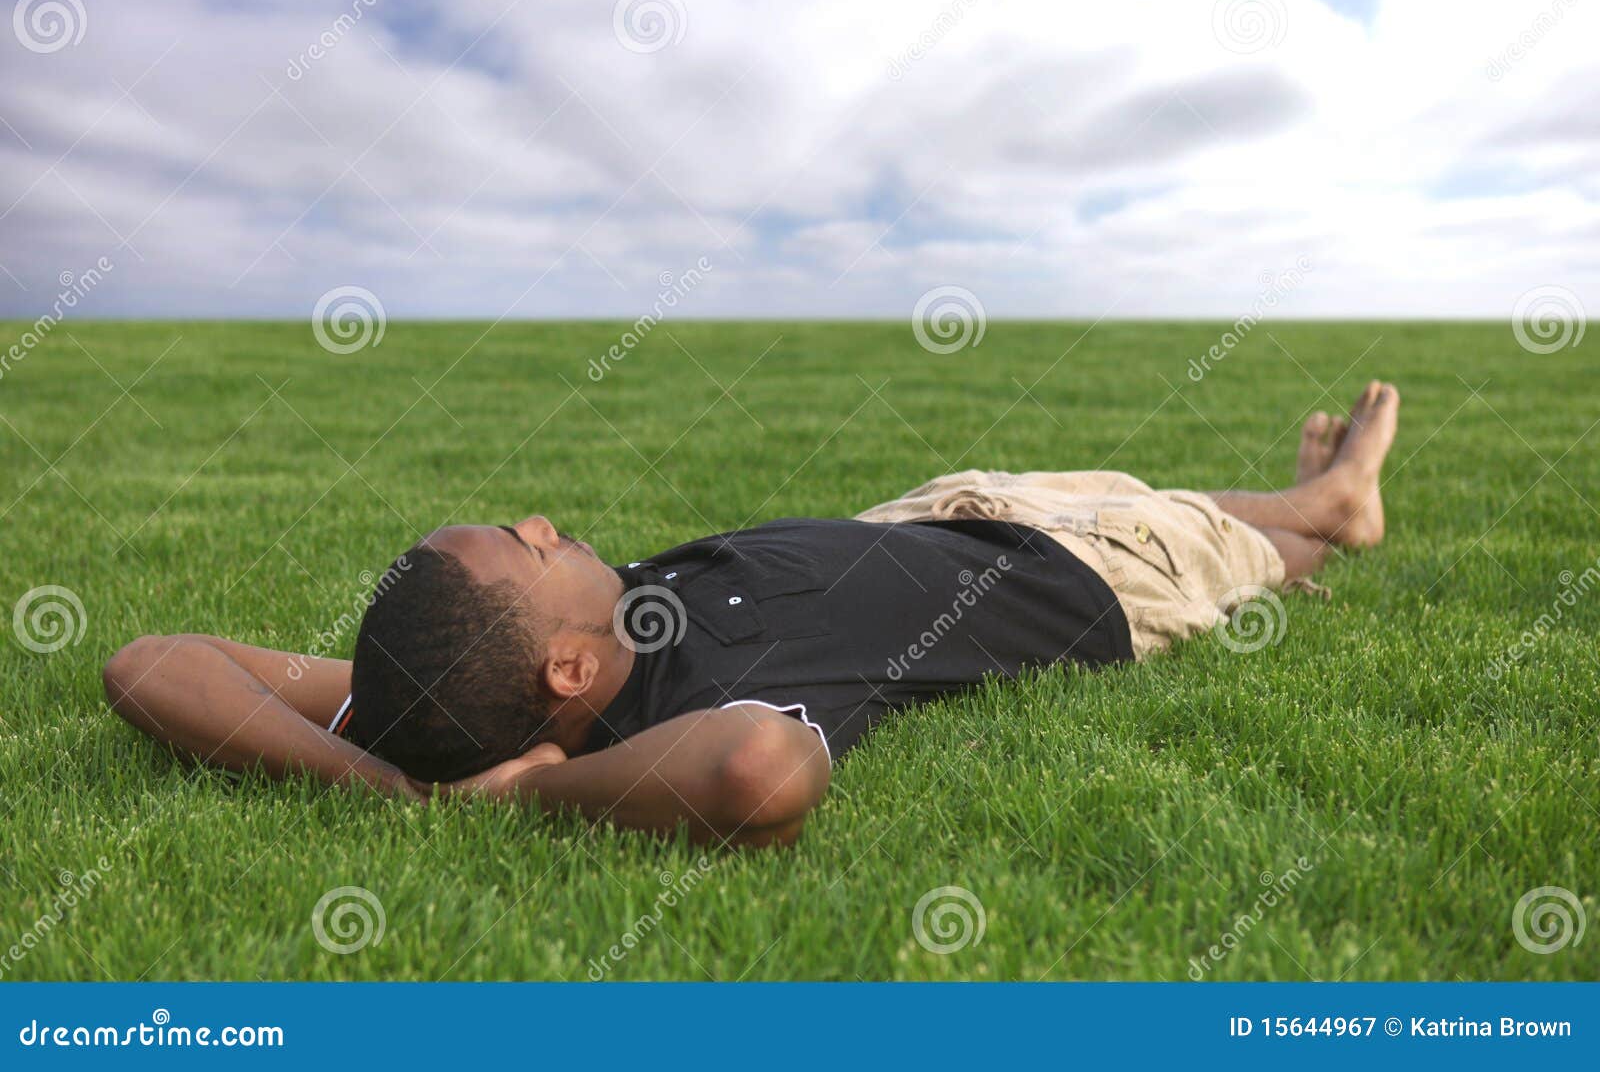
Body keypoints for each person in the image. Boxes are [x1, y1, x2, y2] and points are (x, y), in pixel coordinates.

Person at [104, 382, 1400, 849]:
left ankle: (1301, 495)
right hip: (1076, 588)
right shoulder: (691, 712)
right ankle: (1327, 515)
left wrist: (390, 781)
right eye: (526, 544)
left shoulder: (442, 698)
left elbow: (150, 660)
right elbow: (754, 772)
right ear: (568, 663)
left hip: (924, 519)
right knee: (1197, 541)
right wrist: (514, 801)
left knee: (1120, 486)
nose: (545, 519)